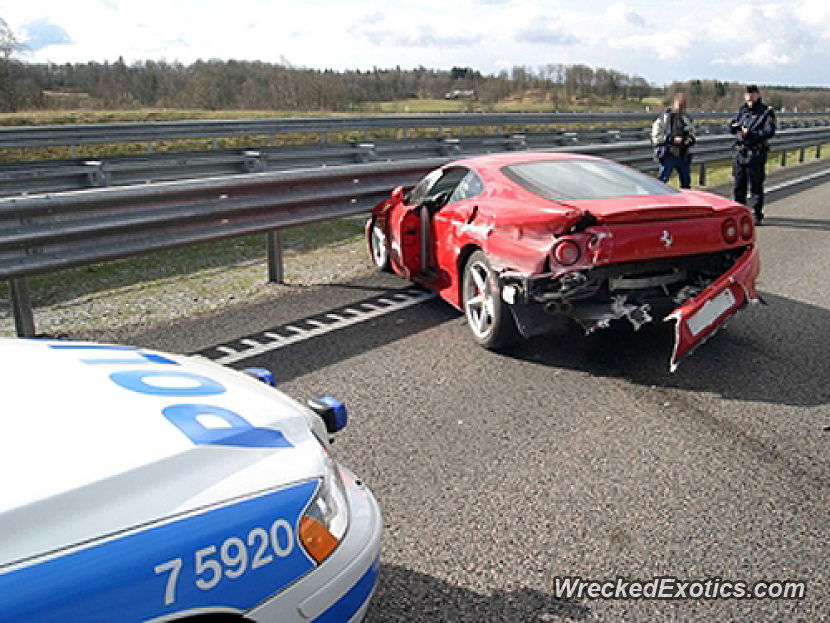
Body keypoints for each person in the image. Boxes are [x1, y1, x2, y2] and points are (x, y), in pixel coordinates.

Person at [730, 85, 776, 225]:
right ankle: (739, 213)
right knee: (739, 186)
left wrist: (751, 134)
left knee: (755, 186)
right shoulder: (742, 111)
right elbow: (731, 126)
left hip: (755, 153)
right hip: (740, 153)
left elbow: (769, 132)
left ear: (758, 95)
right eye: (747, 94)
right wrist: (735, 127)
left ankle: (756, 214)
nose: (750, 96)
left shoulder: (765, 112)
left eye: (752, 93)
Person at [651, 93, 696, 188]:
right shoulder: (664, 119)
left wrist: (689, 140)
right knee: (662, 182)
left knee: (686, 183)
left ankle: (685, 201)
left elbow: (693, 134)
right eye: (679, 105)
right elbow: (656, 136)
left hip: (683, 154)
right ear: (674, 104)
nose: (681, 108)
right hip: (668, 153)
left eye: (683, 106)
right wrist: (672, 140)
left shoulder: (687, 119)